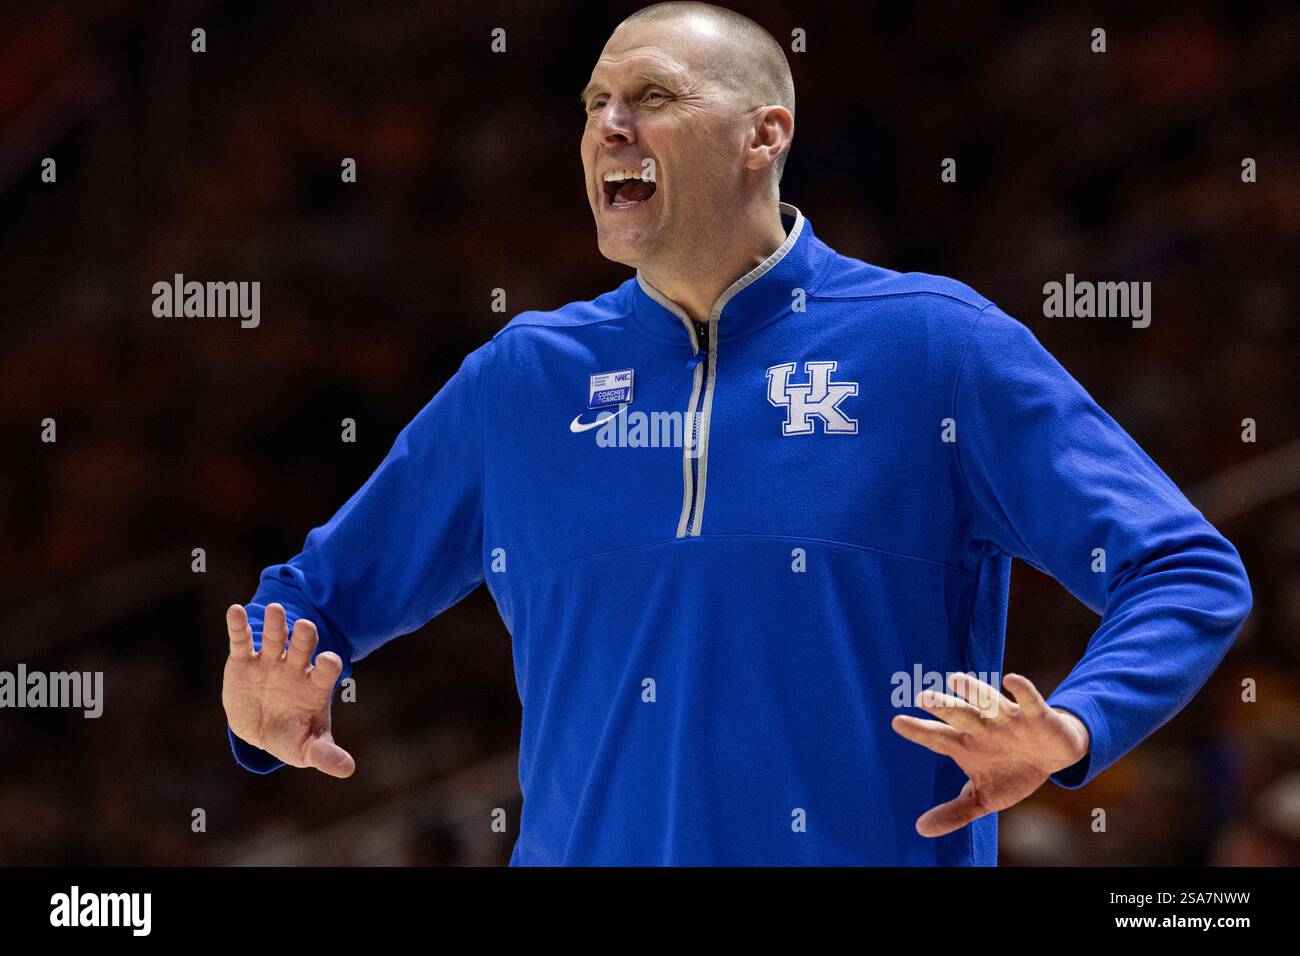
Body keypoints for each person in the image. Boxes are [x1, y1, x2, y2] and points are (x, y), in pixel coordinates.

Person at [222, 2, 1252, 865]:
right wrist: (261, 697)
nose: (607, 127)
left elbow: (1184, 566)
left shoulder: (935, 346)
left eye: (653, 98)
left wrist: (1075, 724)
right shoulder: (521, 382)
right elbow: (310, 599)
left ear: (764, 135)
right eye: (592, 106)